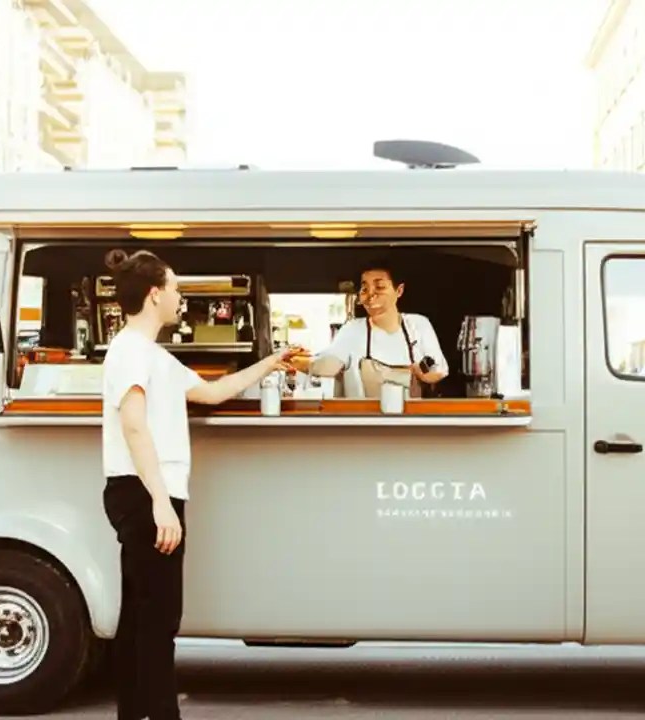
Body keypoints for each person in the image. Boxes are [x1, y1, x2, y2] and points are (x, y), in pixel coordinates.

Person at [101, 250, 299, 720]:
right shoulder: (130, 351)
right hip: (146, 492)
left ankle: (133, 713)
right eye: (174, 288)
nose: (180, 297)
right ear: (155, 294)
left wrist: (270, 362)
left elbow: (212, 392)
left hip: (148, 491)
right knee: (160, 617)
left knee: (141, 616)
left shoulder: (152, 355)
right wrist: (160, 503)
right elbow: (133, 426)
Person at [296, 261, 448, 398]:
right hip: (365, 418)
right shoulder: (353, 329)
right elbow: (328, 365)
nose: (371, 295)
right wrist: (294, 360)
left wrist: (423, 374)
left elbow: (439, 368)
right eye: (364, 289)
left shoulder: (418, 324)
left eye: (379, 287)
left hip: (410, 417)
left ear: (399, 290)